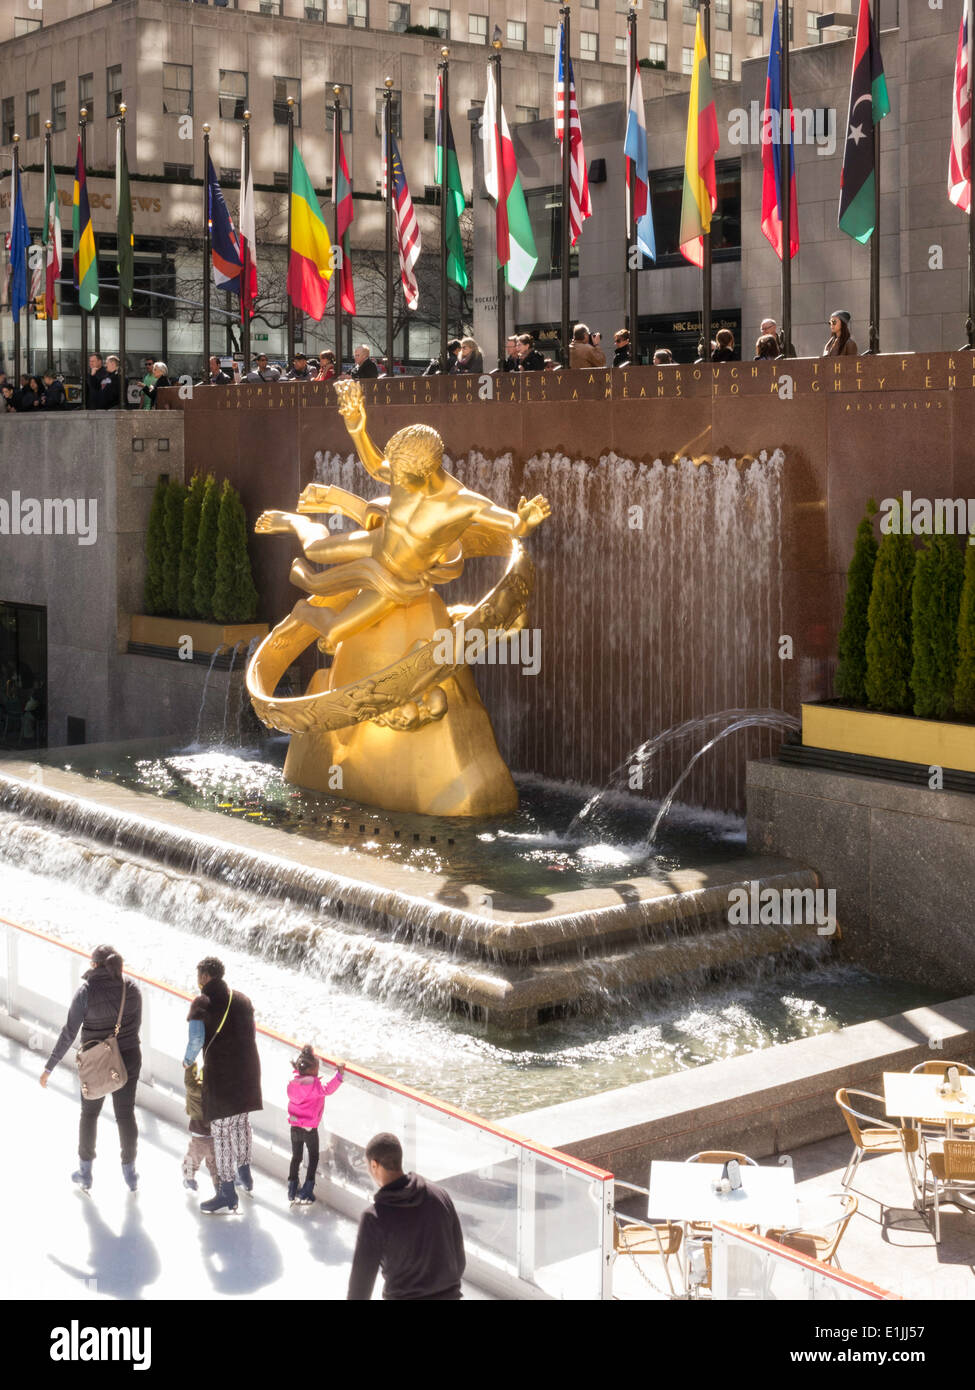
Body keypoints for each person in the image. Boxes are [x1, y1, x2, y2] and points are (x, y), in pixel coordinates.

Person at [39, 944, 143, 1193]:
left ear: (95, 965)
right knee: (125, 1115)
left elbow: (69, 1033)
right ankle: (130, 1175)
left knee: (89, 1115)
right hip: (127, 1058)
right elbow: (136, 1027)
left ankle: (85, 1174)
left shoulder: (85, 991)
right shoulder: (133, 990)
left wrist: (49, 1067)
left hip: (95, 1061)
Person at [183, 955, 263, 1215]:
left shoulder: (202, 1003)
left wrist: (187, 1062)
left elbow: (196, 1040)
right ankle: (246, 1175)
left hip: (222, 1078)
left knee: (221, 1133)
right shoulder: (242, 999)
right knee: (241, 1123)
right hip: (248, 1072)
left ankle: (227, 1192)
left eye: (199, 976)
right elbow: (250, 1032)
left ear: (205, 977)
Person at [347, 1132, 466, 1301]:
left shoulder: (374, 1218)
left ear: (374, 1165)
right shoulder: (439, 1195)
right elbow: (459, 1262)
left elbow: (359, 1290)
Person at [286, 1043, 344, 1205]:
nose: (318, 1073)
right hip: (310, 1128)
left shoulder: (293, 1081)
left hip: (295, 1125)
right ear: (312, 1071)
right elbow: (328, 1089)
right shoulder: (314, 1085)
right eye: (317, 1070)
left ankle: (291, 1187)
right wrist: (338, 1075)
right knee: (313, 1156)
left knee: (296, 1157)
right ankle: (307, 1190)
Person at [181, 1062, 219, 1196]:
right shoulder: (216, 1092)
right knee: (216, 1166)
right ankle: (219, 1188)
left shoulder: (192, 1088)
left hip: (198, 1138)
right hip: (214, 1138)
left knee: (191, 1160)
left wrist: (192, 1064)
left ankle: (189, 1179)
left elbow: (188, 1079)